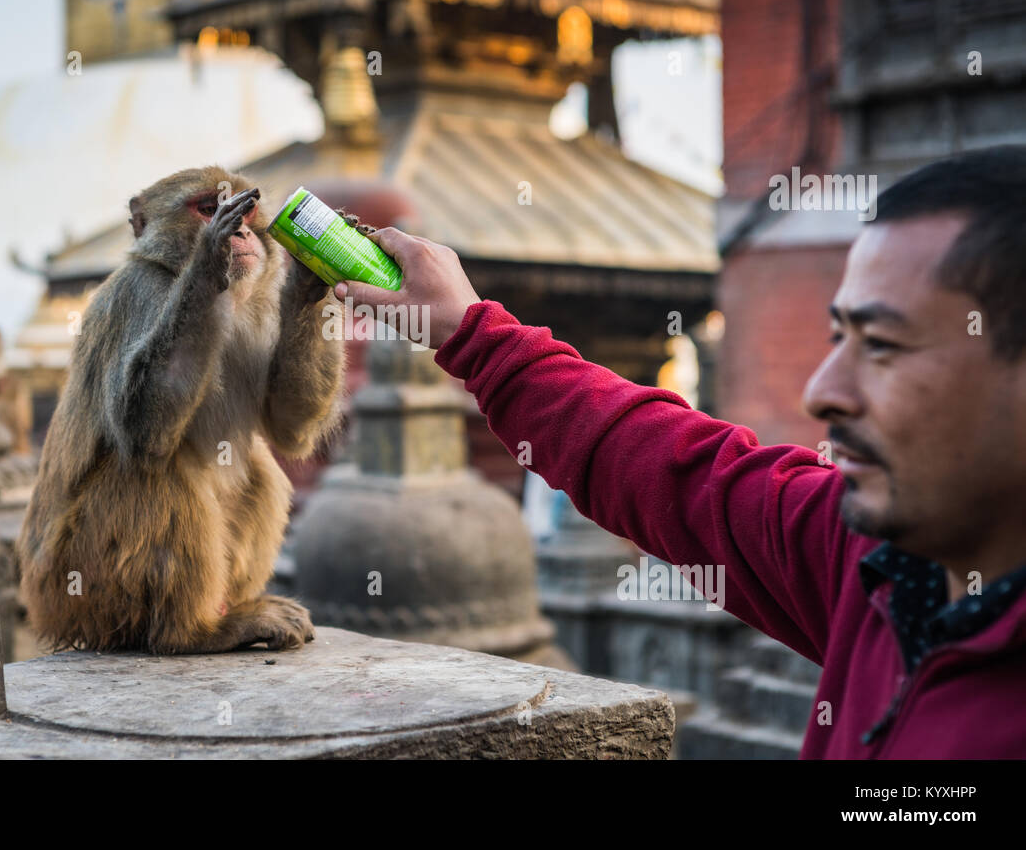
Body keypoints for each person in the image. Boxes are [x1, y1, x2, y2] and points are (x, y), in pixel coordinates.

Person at [333, 146, 1026, 759]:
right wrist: (473, 336)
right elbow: (672, 466)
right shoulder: (871, 561)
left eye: (882, 345)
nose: (824, 392)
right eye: (838, 337)